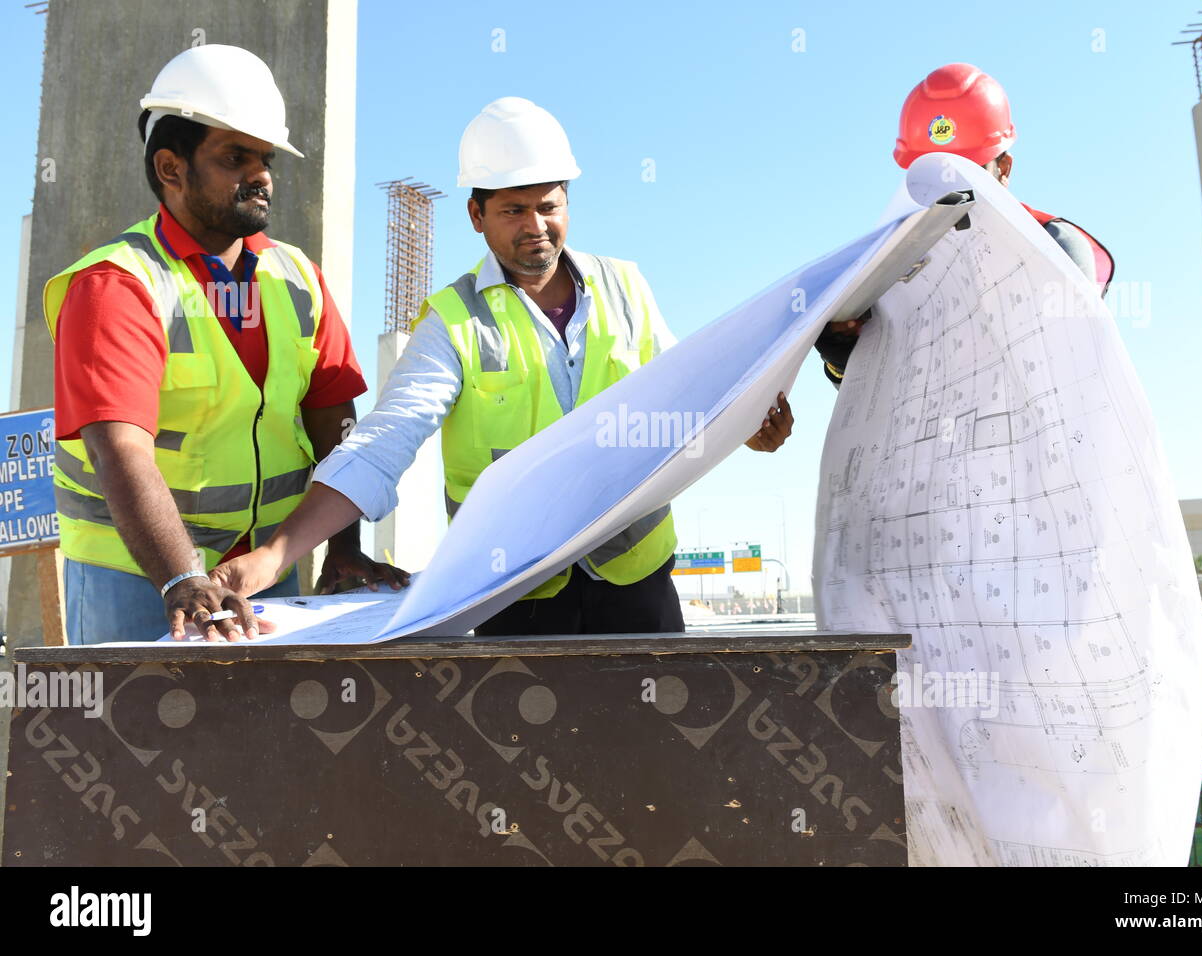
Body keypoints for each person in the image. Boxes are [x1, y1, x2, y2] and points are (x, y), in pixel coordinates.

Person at [211, 97, 793, 636]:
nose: (536, 226)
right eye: (514, 209)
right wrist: (270, 559)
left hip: (636, 579)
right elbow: (381, 446)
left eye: (548, 205)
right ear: (476, 214)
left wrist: (747, 425)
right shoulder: (450, 321)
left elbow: (689, 398)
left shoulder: (626, 287)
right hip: (515, 592)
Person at [43, 44, 402, 645]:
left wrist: (342, 548)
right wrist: (182, 577)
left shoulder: (297, 278)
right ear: (170, 168)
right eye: (235, 157)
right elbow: (122, 453)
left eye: (264, 158)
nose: (260, 175)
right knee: (137, 736)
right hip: (135, 577)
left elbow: (332, 420)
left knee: (260, 736)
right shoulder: (117, 285)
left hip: (262, 572)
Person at [816, 63, 1116, 385]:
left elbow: (1069, 379)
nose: (949, 191)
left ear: (1004, 168)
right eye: (931, 175)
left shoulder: (1056, 245)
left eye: (967, 173)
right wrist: (843, 361)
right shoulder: (888, 270)